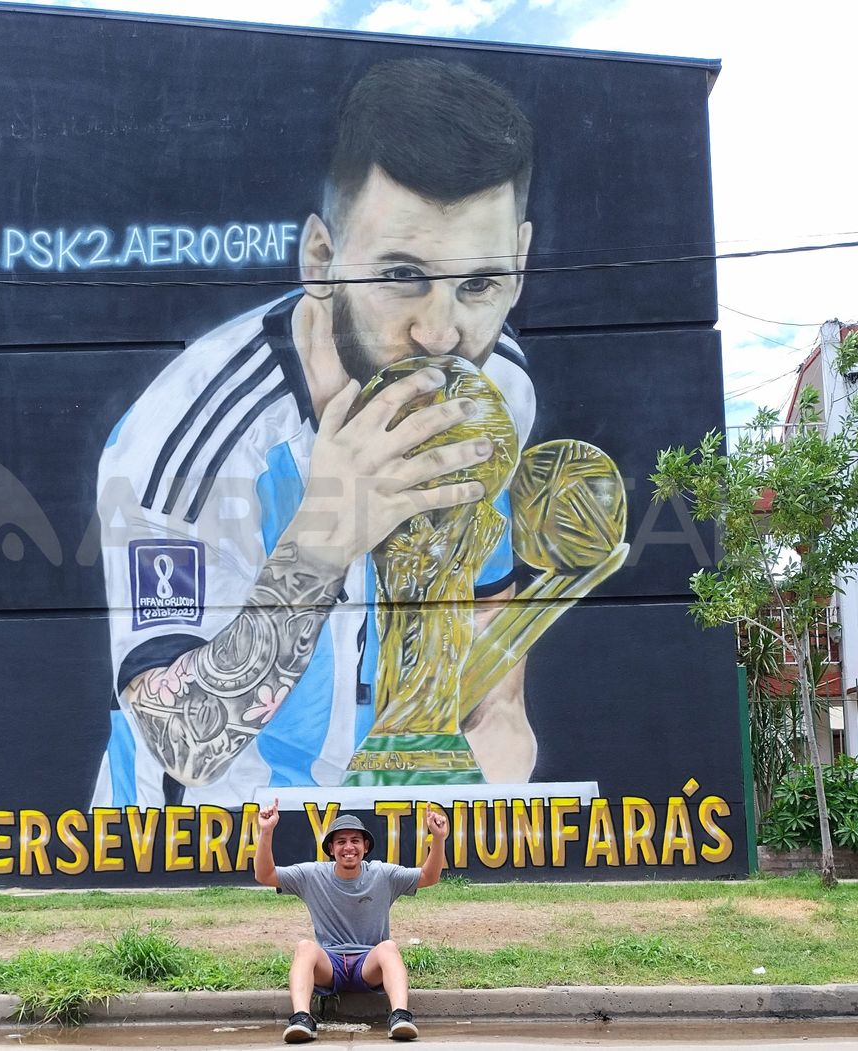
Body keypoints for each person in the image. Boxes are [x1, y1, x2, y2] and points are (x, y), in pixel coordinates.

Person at [92, 57, 538, 809]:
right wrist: (325, 538)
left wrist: (483, 778)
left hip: (386, 840)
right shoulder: (185, 443)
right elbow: (180, 740)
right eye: (402, 275)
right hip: (199, 859)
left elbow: (491, 655)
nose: (441, 332)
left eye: (479, 284)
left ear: (519, 268)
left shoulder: (499, 389)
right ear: (322, 260)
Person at [254, 799, 449, 1042]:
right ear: (331, 849)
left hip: (369, 964)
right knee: (305, 947)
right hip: (330, 964)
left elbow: (428, 876)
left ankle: (400, 1017)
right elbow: (265, 875)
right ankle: (302, 1019)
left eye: (355, 841)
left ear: (366, 846)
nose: (349, 847)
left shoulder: (383, 874)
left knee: (388, 947)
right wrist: (266, 830)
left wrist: (438, 839)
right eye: (341, 842)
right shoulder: (312, 875)